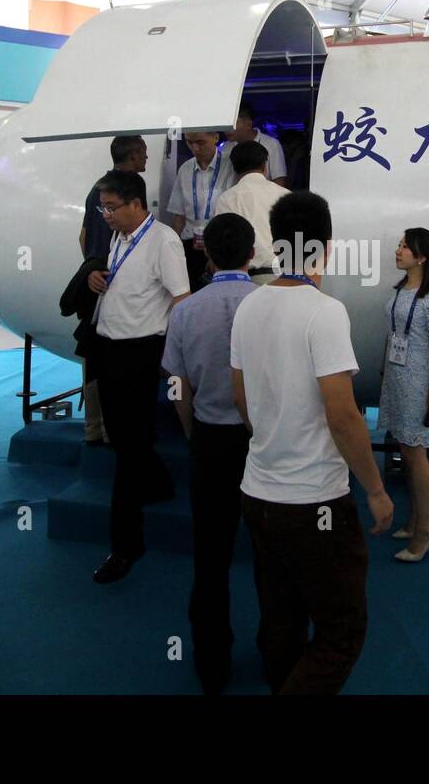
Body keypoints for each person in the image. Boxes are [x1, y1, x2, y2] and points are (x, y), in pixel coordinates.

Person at [231, 191, 394, 694]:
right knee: (342, 630)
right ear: (325, 245)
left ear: (277, 243)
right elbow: (342, 414)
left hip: (258, 491)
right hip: (314, 501)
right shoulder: (325, 313)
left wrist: (275, 435)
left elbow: (241, 399)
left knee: (280, 618)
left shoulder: (249, 306)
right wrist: (375, 489)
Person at [162, 212, 258, 694]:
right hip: (263, 443)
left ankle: (211, 660)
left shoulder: (184, 311)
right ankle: (281, 650)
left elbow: (178, 386)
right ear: (253, 252)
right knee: (273, 551)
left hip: (210, 439)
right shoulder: (268, 306)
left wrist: (193, 432)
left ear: (206, 253)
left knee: (211, 554)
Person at [90, 170, 191, 583]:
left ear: (137, 204)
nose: (106, 215)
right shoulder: (120, 238)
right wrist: (98, 278)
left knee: (128, 449)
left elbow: (181, 300)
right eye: (103, 207)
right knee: (125, 438)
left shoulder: (163, 240)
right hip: (111, 348)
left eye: (112, 208)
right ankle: (160, 484)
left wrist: (172, 355)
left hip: (141, 351)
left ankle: (125, 545)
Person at [377, 228, 429, 563]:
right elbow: (395, 334)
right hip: (397, 380)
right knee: (407, 453)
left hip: (419, 384)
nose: (398, 250)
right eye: (399, 245)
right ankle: (414, 520)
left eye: (405, 247)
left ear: (421, 257)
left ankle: (426, 530)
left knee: (417, 455)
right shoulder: (401, 290)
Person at [80, 135, 149, 446]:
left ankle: (95, 428)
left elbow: (82, 236)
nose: (147, 158)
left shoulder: (97, 187)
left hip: (95, 275)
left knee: (94, 355)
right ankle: (116, 428)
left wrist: (92, 267)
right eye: (144, 153)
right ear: (133, 155)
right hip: (115, 278)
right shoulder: (130, 186)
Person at [213, 140, 289, 285]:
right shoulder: (286, 196)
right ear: (264, 165)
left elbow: (225, 245)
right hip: (286, 278)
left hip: (247, 280)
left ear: (234, 169)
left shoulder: (228, 199)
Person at [169, 131, 234, 291]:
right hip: (190, 244)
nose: (195, 148)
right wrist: (173, 251)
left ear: (216, 138)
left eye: (200, 142)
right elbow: (179, 215)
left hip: (220, 245)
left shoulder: (230, 166)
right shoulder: (185, 169)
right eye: (189, 143)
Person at [232, 102, 287, 187]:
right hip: (235, 198)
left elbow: (279, 180)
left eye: (234, 123)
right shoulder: (226, 147)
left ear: (248, 124)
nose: (228, 128)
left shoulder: (271, 144)